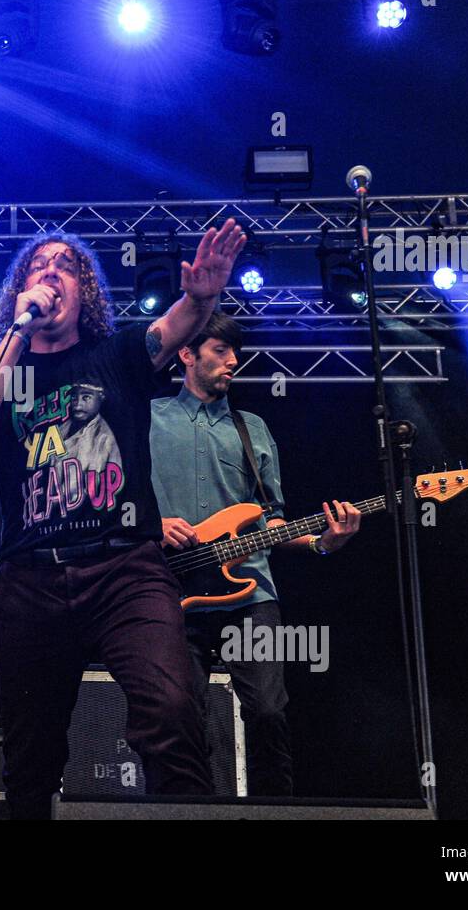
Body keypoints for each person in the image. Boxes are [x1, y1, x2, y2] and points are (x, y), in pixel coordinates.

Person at [0, 220, 245, 819]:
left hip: (124, 570)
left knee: (170, 711)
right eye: (38, 267)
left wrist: (202, 296)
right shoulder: (7, 371)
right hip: (32, 580)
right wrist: (18, 328)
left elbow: (173, 329)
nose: (51, 273)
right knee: (28, 760)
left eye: (65, 266)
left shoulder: (115, 354)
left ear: (85, 291)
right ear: (20, 290)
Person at [149, 312, 362, 796]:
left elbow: (270, 520)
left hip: (250, 594)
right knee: (178, 716)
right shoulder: (149, 419)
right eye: (220, 351)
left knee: (268, 710)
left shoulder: (252, 428)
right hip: (169, 590)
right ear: (187, 354)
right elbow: (118, 497)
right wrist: (153, 526)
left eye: (234, 352)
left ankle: (274, 812)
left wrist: (322, 542)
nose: (233, 361)